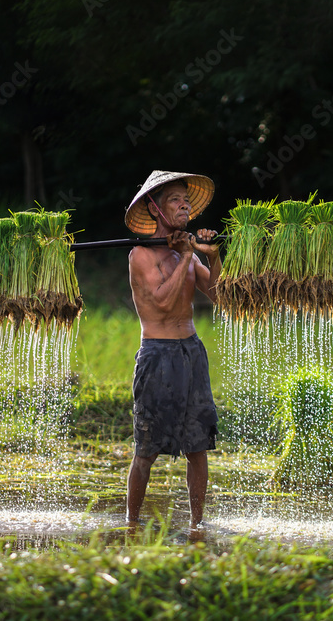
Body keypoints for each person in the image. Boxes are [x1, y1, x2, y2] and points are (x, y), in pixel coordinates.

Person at [123, 170, 222, 531]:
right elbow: (163, 304)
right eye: (174, 200)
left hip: (191, 352)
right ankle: (131, 523)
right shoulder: (140, 255)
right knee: (146, 450)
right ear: (155, 208)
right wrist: (183, 257)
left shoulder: (189, 253)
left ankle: (198, 524)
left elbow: (219, 295)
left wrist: (210, 256)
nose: (184, 205)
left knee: (198, 446)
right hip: (158, 355)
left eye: (185, 199)